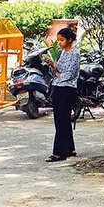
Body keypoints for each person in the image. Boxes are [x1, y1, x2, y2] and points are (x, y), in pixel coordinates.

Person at [43, 27, 79, 161]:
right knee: (62, 120)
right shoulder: (60, 52)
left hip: (67, 88)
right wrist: (52, 65)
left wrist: (58, 75)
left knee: (61, 120)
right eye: (58, 40)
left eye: (62, 40)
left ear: (69, 40)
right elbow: (57, 70)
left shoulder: (74, 53)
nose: (59, 42)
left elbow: (70, 74)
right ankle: (70, 148)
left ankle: (59, 152)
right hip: (58, 87)